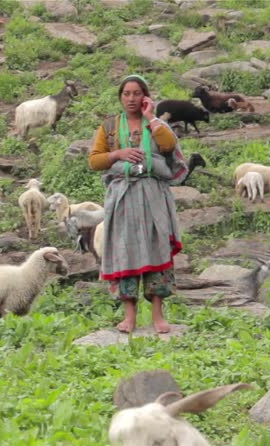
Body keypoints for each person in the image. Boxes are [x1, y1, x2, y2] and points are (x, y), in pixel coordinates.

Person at [88, 74, 189, 334]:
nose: (131, 98)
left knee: (158, 251)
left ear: (145, 97)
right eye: (126, 94)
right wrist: (118, 154)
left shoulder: (155, 124)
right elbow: (95, 161)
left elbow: (168, 145)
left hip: (153, 196)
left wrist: (151, 117)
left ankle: (157, 316)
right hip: (123, 198)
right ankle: (129, 316)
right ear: (121, 97)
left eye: (136, 93)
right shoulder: (110, 126)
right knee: (126, 251)